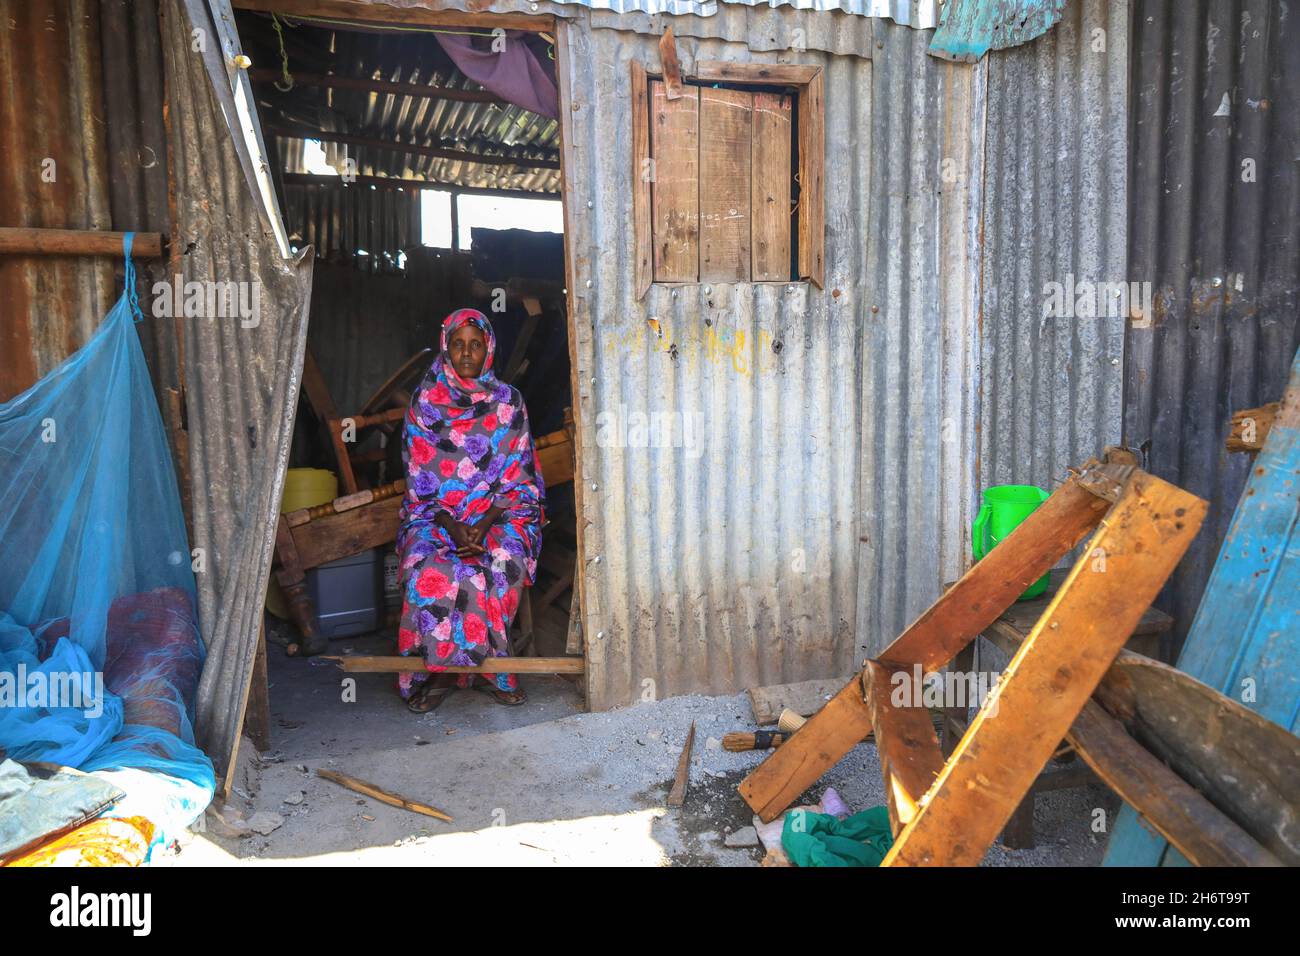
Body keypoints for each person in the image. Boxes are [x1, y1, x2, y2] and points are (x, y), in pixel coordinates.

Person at [396, 308, 544, 713]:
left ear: (488, 349)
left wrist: (482, 523)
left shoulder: (509, 403)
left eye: (475, 345)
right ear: (446, 346)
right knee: (429, 567)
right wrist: (452, 525)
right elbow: (420, 483)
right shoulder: (425, 404)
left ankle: (492, 671)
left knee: (502, 562)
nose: (466, 353)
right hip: (436, 516)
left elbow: (520, 479)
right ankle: (433, 672)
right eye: (458, 344)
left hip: (499, 513)